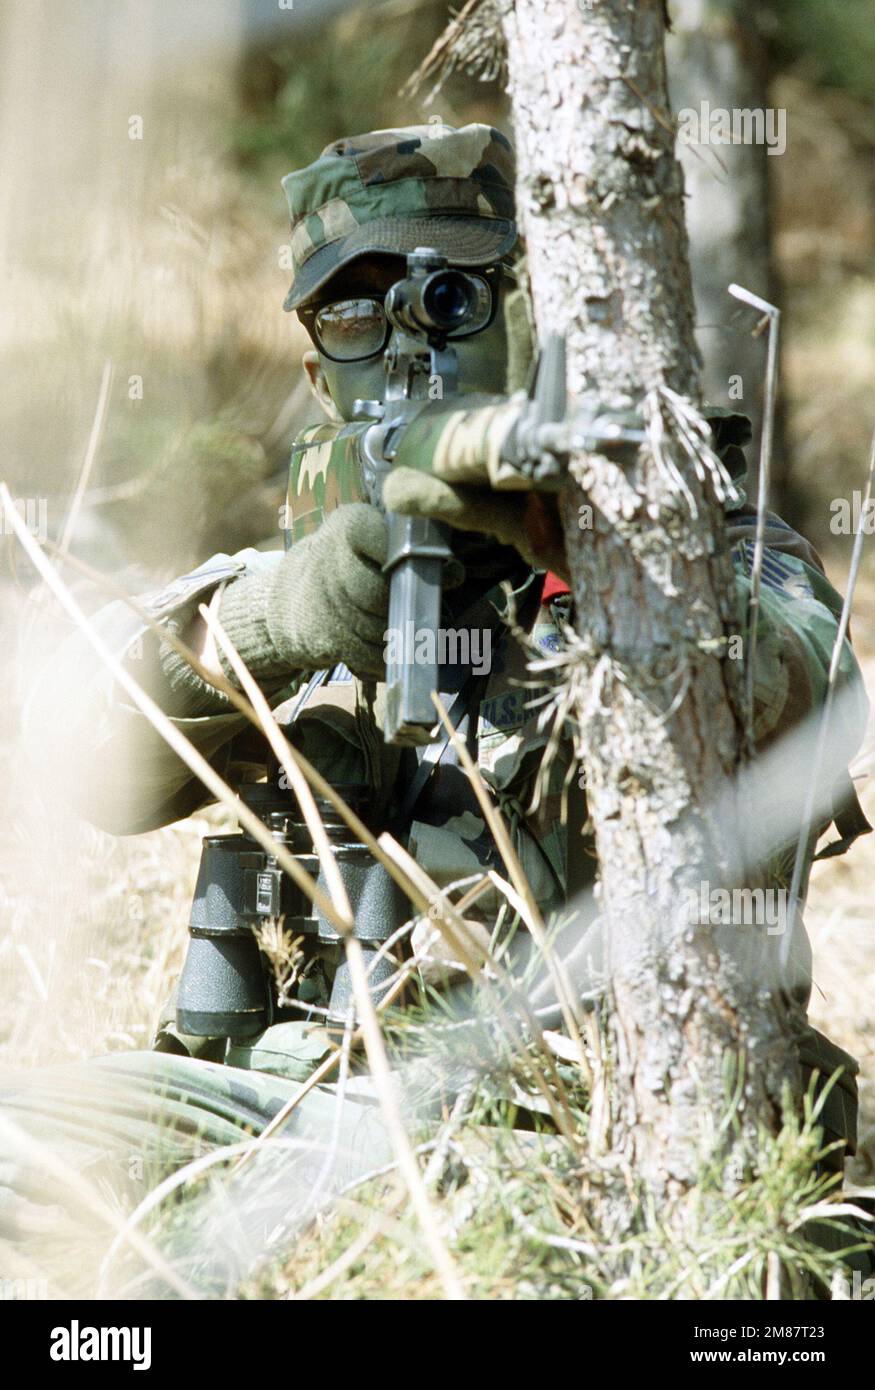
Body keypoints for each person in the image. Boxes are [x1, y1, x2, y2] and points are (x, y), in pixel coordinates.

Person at [8, 125, 870, 1290]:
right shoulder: (297, 574)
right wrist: (282, 614)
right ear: (315, 369)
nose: (409, 342)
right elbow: (66, 758)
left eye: (455, 296)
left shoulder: (700, 557)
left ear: (533, 318)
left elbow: (807, 691)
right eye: (353, 314)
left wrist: (605, 568)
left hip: (577, 1131)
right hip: (277, 1104)